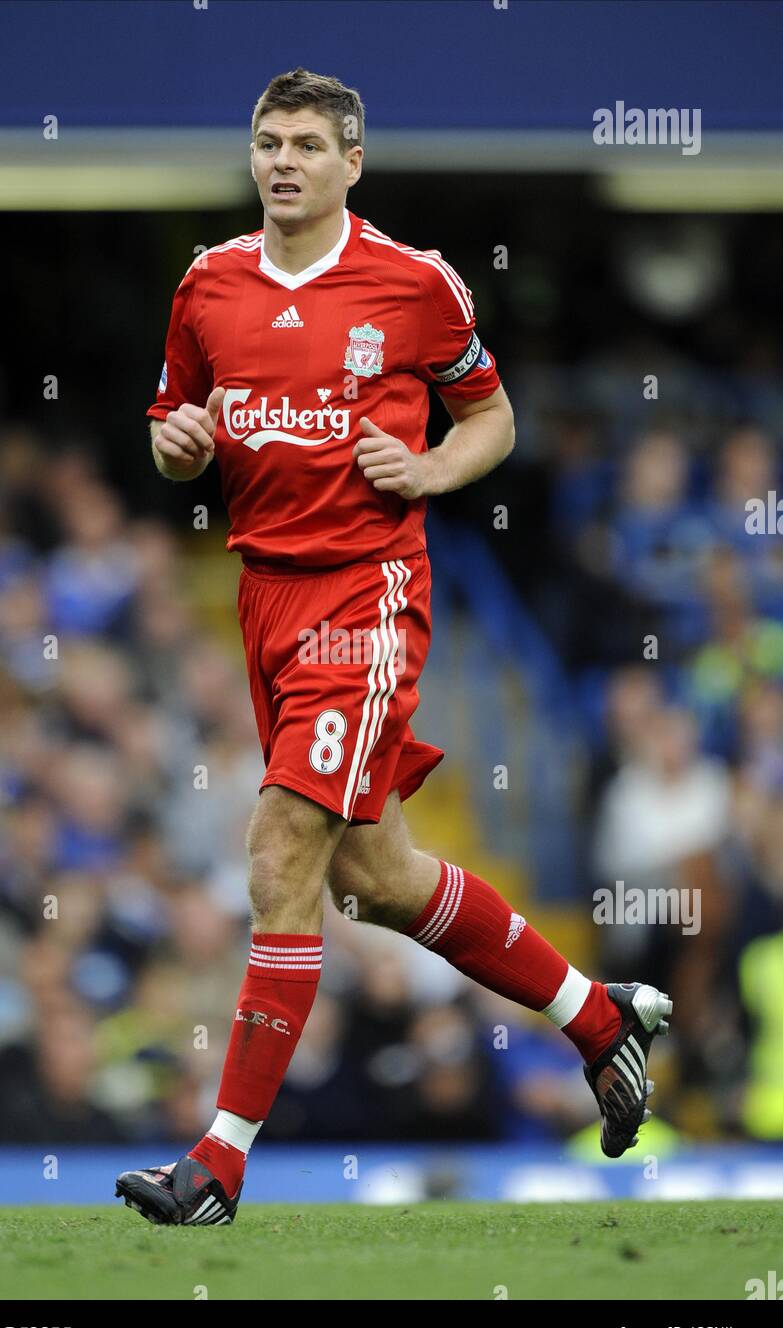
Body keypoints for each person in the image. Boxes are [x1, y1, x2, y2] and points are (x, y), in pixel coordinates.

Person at [116, 69, 671, 1228]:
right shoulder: (206, 285)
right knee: (374, 878)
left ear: (350, 163)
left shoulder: (413, 285)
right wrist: (177, 448)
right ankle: (593, 1014)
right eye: (268, 142)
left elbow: (494, 417)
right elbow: (180, 437)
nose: (282, 161)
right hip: (262, 600)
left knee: (280, 855)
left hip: (365, 600)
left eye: (308, 144)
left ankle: (218, 1163)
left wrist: (425, 471)